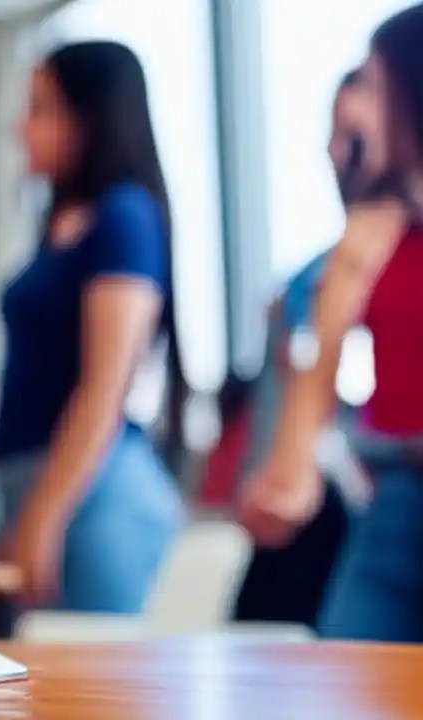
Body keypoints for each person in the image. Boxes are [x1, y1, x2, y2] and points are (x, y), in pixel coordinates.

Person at [242, 4, 423, 642]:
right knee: (349, 671)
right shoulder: (374, 230)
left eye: (376, 85)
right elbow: (317, 360)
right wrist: (291, 468)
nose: (364, 113)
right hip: (399, 500)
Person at [0, 41, 184, 612]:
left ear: (89, 116)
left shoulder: (123, 217)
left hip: (94, 494)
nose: (21, 128)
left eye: (39, 108)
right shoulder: (60, 223)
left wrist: (43, 516)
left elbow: (105, 386)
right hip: (36, 482)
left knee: (100, 685)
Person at [231, 69, 368, 629]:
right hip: (316, 513)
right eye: (333, 138)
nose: (337, 156)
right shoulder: (306, 285)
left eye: (355, 139)